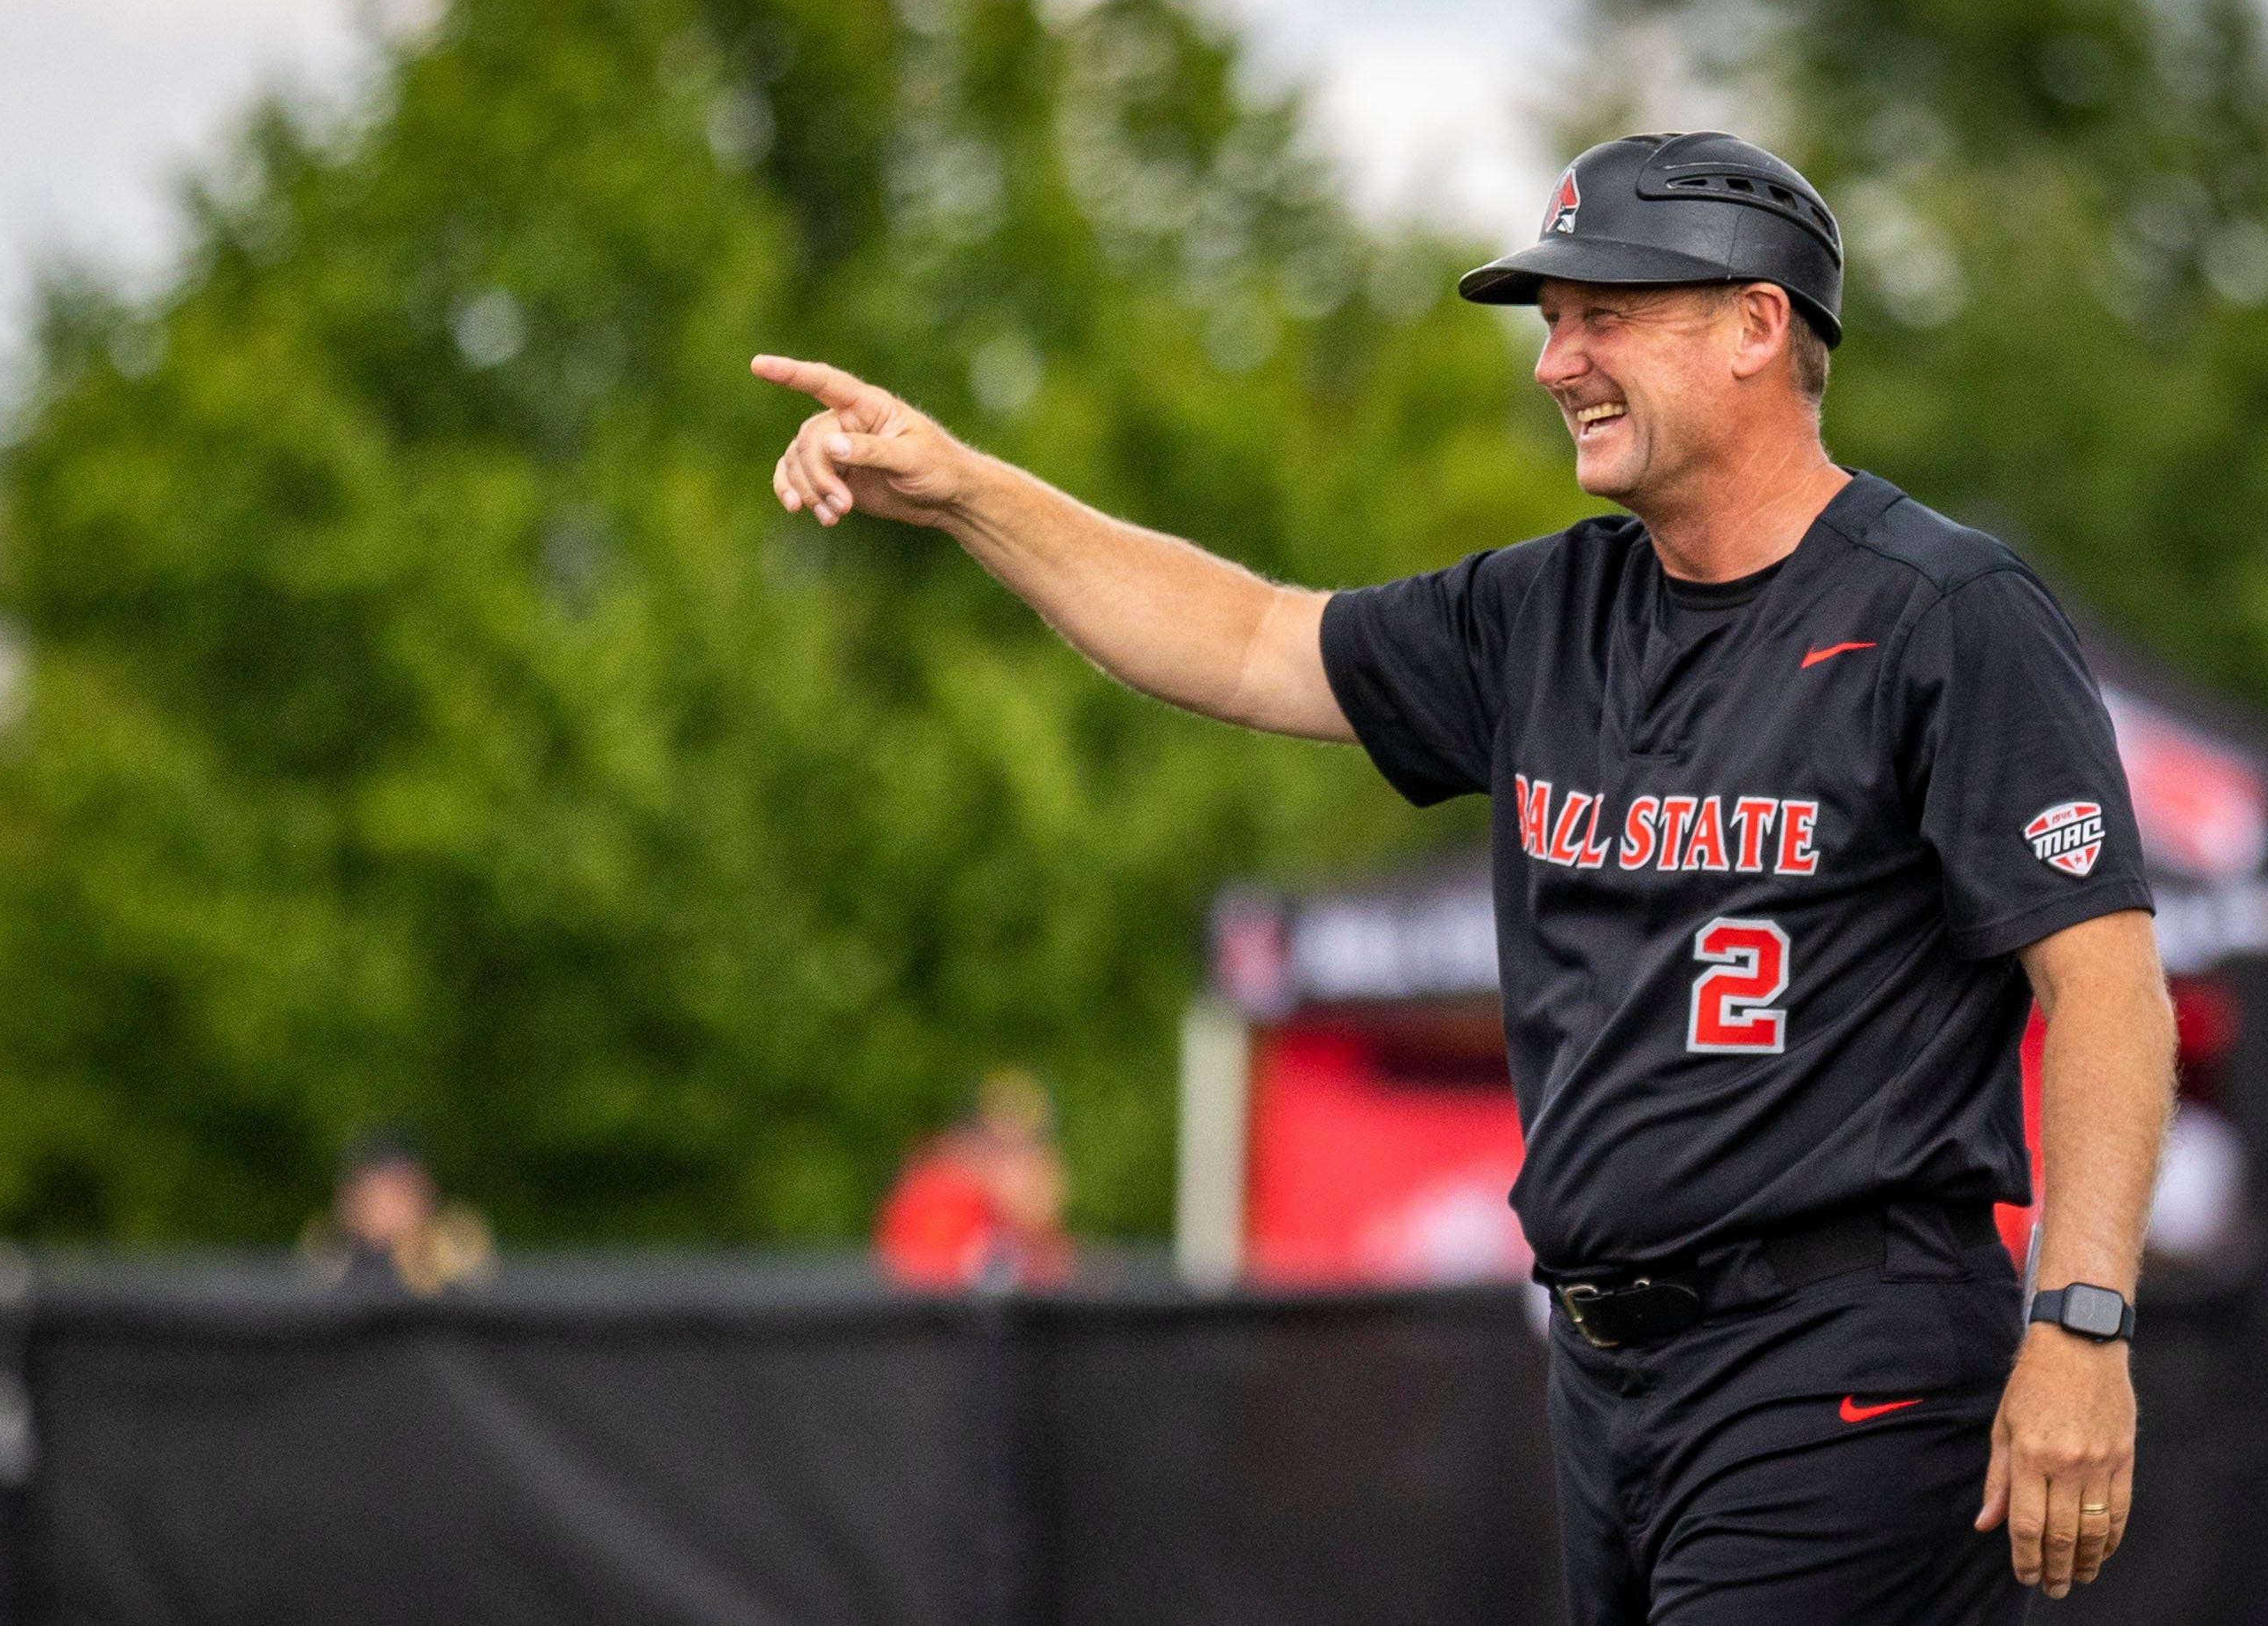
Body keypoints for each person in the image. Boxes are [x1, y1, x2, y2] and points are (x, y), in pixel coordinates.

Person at [752, 130, 2176, 1622]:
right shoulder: (1543, 609)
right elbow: (1245, 642)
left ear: (1758, 325)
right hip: (1605, 1379)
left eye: (1604, 313)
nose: (1557, 360)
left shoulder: (1946, 612)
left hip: (1843, 1361)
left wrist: (2079, 1325)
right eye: (1551, 322)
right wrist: (972, 490)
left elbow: (2107, 990)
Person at [875, 1070, 1074, 1291]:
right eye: (1007, 1148)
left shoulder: (1026, 1226)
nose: (1030, 1165)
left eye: (1031, 1146)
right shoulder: (940, 1201)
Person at [299, 1125, 494, 1297]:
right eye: (384, 1191)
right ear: (349, 1199)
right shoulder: (323, 1269)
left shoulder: (458, 1269)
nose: (397, 1205)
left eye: (408, 1190)